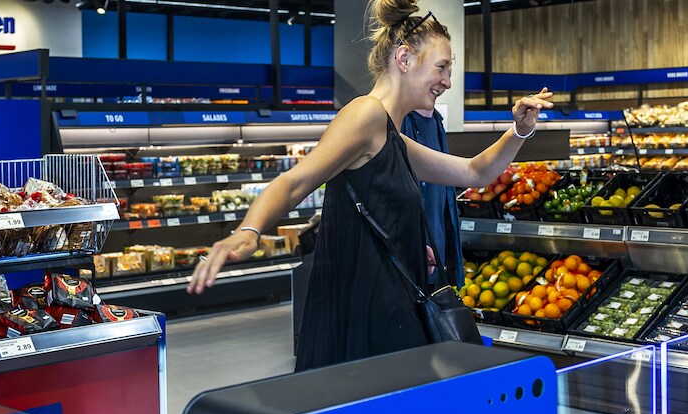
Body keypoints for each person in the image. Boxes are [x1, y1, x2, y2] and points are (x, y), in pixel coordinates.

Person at [187, 0, 552, 371]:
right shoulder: (365, 115)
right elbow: (296, 180)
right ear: (404, 59)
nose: (447, 81)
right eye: (442, 66)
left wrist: (520, 129)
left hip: (386, 310)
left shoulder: (390, 133)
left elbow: (474, 173)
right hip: (363, 318)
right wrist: (249, 230)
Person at [402, 106, 463, 289]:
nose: (447, 82)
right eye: (440, 74)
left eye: (449, 74)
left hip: (436, 260)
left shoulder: (436, 119)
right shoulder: (398, 123)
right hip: (411, 270)